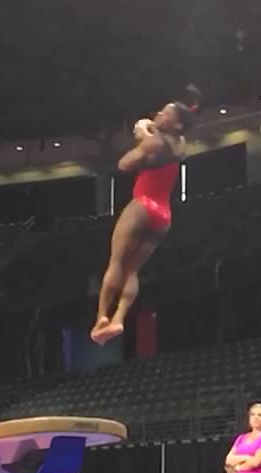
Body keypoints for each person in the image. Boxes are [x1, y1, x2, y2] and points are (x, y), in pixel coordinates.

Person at [91, 85, 201, 345]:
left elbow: (124, 164)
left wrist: (141, 137)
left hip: (142, 204)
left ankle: (101, 318)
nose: (159, 116)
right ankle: (119, 318)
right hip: (163, 215)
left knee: (117, 262)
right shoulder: (181, 144)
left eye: (165, 114)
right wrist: (150, 133)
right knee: (132, 270)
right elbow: (162, 147)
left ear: (176, 125)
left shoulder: (153, 141)